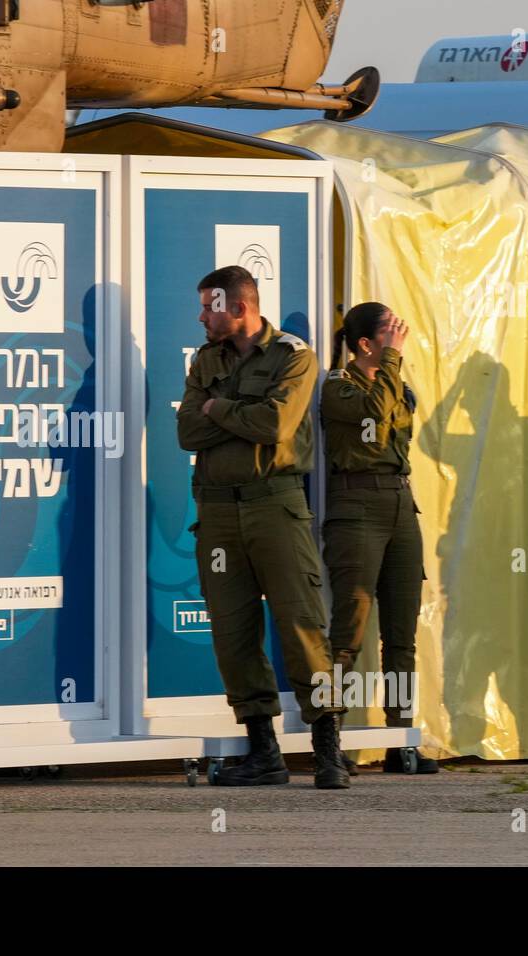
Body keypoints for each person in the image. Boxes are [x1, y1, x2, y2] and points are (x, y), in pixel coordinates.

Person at [177, 265, 348, 789]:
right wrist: (236, 414)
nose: (203, 316)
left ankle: (327, 751)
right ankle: (263, 753)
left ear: (240, 307)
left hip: (275, 505)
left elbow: (277, 425)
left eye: (211, 306)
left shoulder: (293, 355)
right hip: (218, 512)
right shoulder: (206, 359)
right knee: (233, 632)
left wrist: (218, 408)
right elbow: (187, 430)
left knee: (301, 626)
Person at [320, 302, 436, 773]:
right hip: (356, 505)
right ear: (365, 344)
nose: (399, 338)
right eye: (389, 332)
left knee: (402, 636)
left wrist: (390, 367)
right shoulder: (336, 386)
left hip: (399, 504)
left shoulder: (397, 383)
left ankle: (401, 736)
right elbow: (373, 418)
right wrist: (390, 360)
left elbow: (397, 413)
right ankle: (331, 736)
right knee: (347, 634)